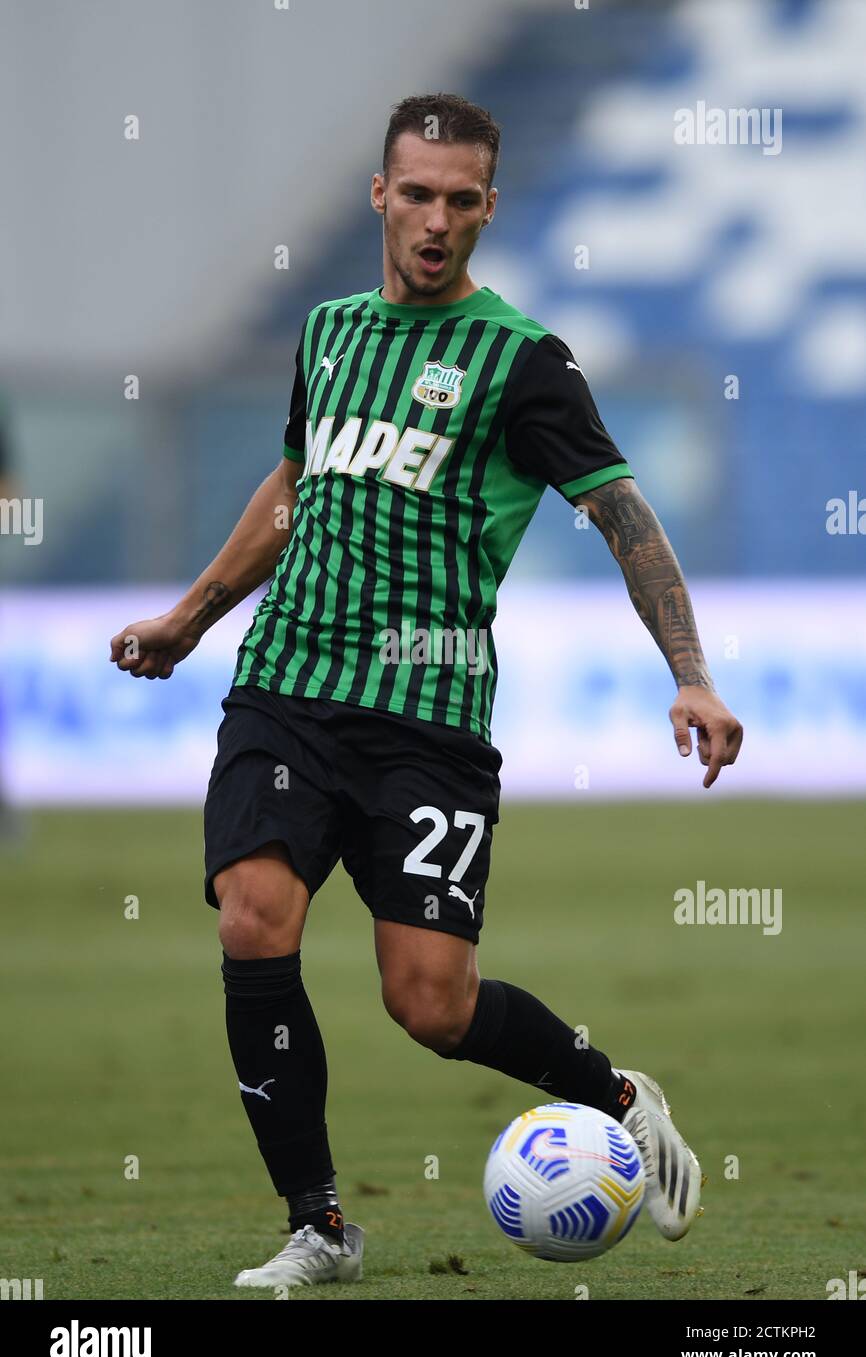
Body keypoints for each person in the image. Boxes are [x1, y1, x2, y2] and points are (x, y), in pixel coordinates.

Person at [110, 93, 743, 1290]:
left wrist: (692, 677)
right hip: (287, 687)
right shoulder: (330, 330)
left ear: (489, 208)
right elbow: (295, 487)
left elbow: (621, 514)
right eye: (416, 194)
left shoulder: (522, 361)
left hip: (428, 724)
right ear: (379, 196)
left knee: (432, 1006)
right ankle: (321, 1226)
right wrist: (190, 621)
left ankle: (615, 1094)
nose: (436, 218)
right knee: (254, 913)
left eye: (461, 199)